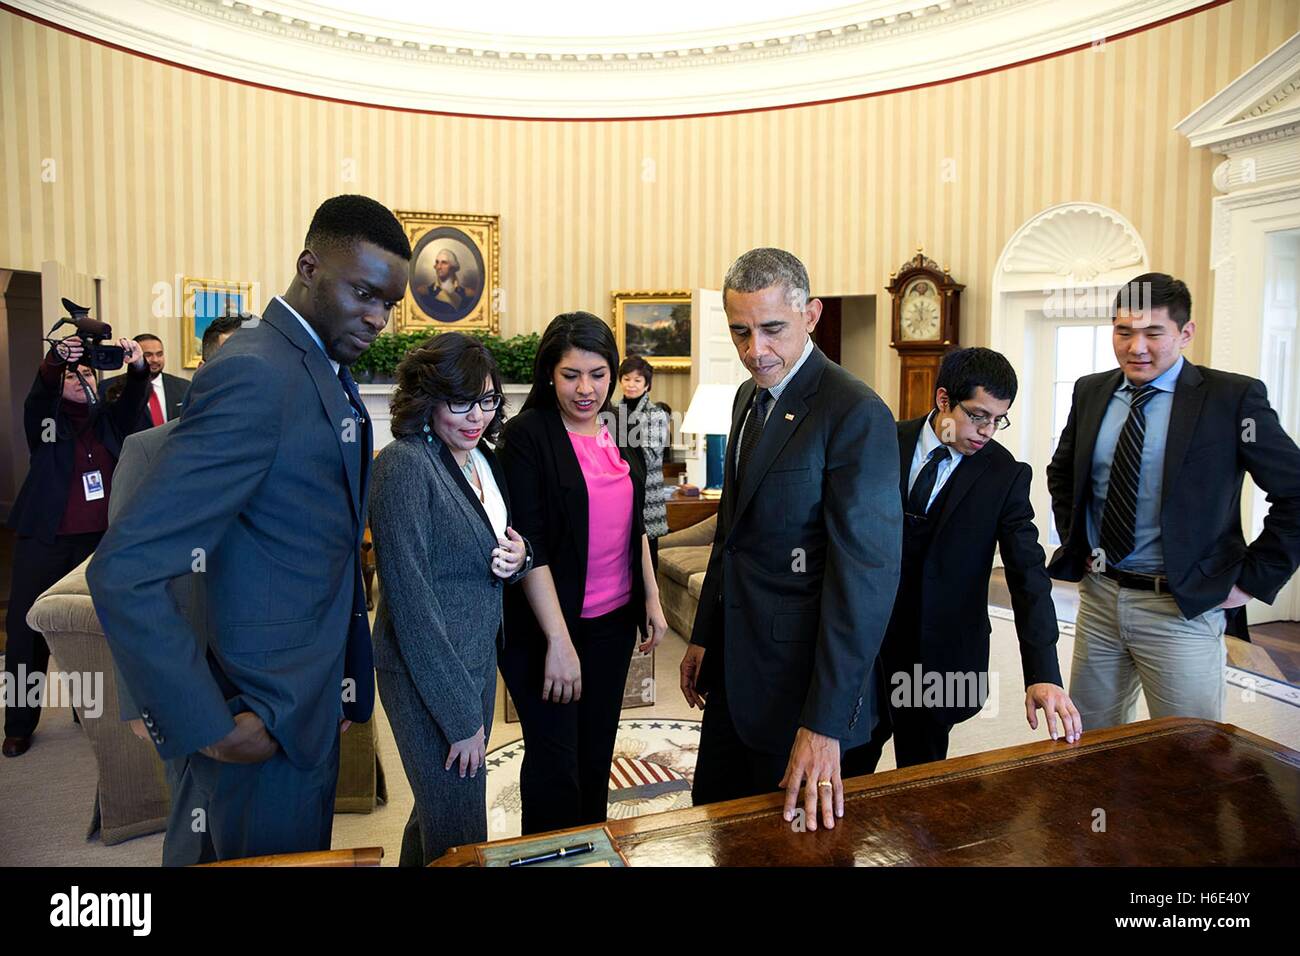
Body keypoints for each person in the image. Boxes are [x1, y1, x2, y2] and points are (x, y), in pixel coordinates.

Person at [87, 194, 411, 863]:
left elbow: (324, 552)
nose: (379, 318)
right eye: (364, 293)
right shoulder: (257, 372)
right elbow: (127, 566)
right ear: (308, 266)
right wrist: (204, 723)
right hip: (258, 718)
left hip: (307, 709)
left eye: (389, 304)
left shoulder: (325, 373)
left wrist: (349, 683)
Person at [679, 247, 901, 832]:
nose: (756, 350)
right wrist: (705, 635)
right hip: (735, 672)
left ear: (811, 315)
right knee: (720, 829)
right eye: (741, 332)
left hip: (806, 692)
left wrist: (825, 723)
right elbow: (732, 533)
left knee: (795, 848)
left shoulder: (854, 411)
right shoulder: (747, 396)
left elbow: (866, 581)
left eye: (772, 328)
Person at [1047, 273, 1300, 729]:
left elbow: (1296, 491)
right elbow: (1063, 473)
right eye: (1123, 332)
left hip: (1180, 606)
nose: (1135, 347)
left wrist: (1251, 580)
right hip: (1100, 598)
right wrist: (1078, 542)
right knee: (1090, 740)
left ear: (1185, 333)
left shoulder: (1232, 399)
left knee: (1189, 752)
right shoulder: (1091, 390)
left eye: (1152, 333)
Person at [841, 348, 1080, 778]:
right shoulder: (882, 441)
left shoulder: (1005, 475)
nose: (988, 431)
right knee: (846, 771)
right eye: (978, 416)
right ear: (944, 399)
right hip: (867, 649)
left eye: (998, 420)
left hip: (940, 657)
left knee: (922, 789)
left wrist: (1043, 672)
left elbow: (1028, 577)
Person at [497, 312, 669, 835]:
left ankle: (591, 851)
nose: (586, 388)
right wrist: (559, 640)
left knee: (596, 759)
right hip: (546, 630)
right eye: (571, 374)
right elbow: (532, 546)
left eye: (598, 373)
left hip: (612, 627)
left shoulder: (618, 430)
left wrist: (653, 600)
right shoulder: (527, 437)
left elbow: (636, 524)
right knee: (556, 769)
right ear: (549, 373)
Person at [369, 332, 530, 866]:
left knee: (437, 814)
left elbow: (493, 543)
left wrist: (519, 557)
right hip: (426, 675)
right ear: (426, 397)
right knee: (459, 826)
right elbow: (411, 600)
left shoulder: (481, 458)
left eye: (486, 401)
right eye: (460, 401)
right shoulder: (404, 465)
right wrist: (461, 720)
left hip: (476, 661)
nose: (476, 416)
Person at [2, 334, 148, 757]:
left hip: (100, 542)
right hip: (45, 540)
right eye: (72, 374)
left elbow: (135, 395)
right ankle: (19, 722)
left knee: (96, 628)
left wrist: (137, 366)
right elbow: (42, 387)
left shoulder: (108, 420)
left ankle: (91, 710)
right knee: (26, 631)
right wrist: (55, 360)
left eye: (86, 372)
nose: (79, 379)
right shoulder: (43, 420)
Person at [618, 355, 670, 567]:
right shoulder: (610, 412)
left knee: (648, 566)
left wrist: (613, 461)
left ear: (647, 385)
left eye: (637, 380)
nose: (631, 385)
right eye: (627, 379)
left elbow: (648, 455)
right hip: (619, 499)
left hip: (647, 500)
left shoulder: (655, 414)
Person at [104, 332, 189, 427]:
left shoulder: (184, 387)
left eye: (159, 354)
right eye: (148, 355)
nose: (155, 359)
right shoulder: (109, 387)